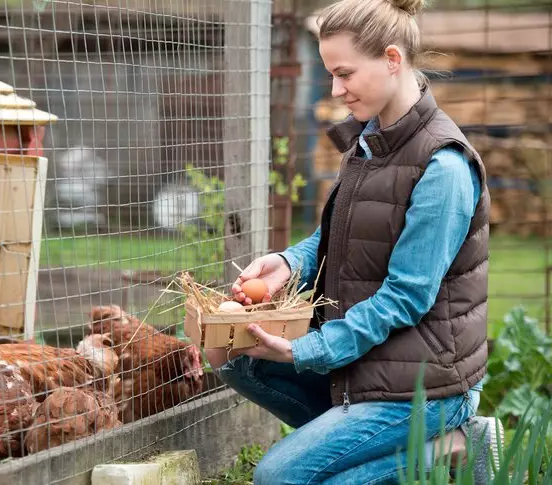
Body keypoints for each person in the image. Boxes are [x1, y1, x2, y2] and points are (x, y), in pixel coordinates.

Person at [205, 0, 504, 483]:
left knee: (279, 478)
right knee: (239, 359)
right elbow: (339, 236)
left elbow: (406, 297)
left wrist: (309, 349)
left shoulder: (442, 167)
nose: (335, 90)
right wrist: (289, 263)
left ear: (391, 59)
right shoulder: (370, 142)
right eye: (330, 74)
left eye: (344, 74)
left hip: (426, 383)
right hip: (371, 360)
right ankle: (382, 452)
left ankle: (455, 443)